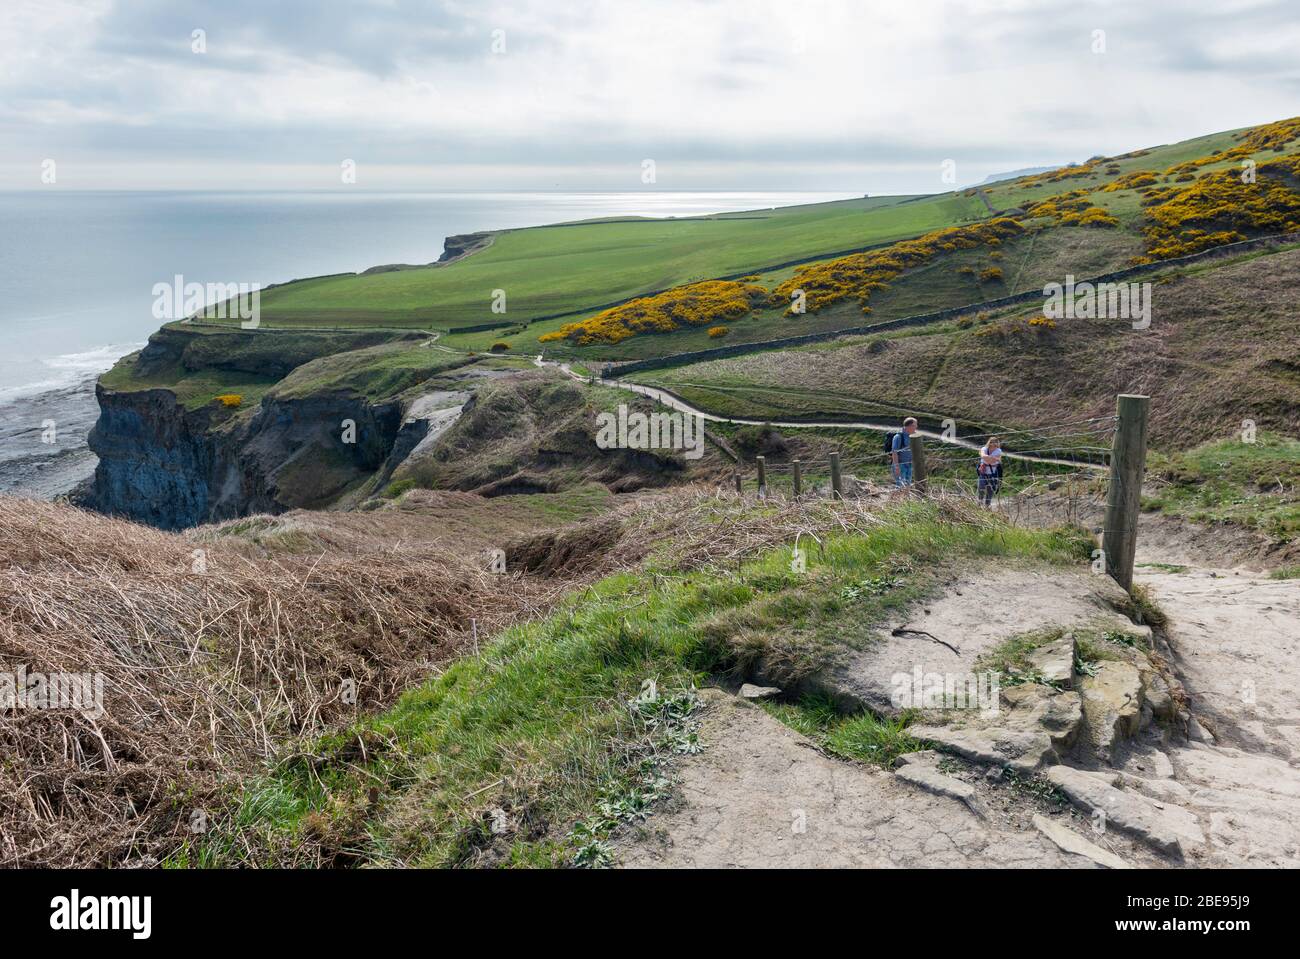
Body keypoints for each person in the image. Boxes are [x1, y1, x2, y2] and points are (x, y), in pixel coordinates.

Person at [891, 417, 919, 487]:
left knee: (907, 486)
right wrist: (897, 467)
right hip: (900, 465)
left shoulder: (913, 436)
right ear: (909, 426)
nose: (916, 427)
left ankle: (905, 498)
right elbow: (894, 453)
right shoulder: (898, 437)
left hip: (909, 465)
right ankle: (897, 498)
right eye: (915, 425)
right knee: (901, 486)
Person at [977, 435, 1004, 507]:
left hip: (993, 473)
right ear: (989, 443)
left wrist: (987, 458)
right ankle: (979, 503)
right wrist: (992, 458)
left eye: (995, 443)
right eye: (992, 442)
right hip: (983, 472)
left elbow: (988, 460)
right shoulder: (984, 448)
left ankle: (987, 506)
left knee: (990, 490)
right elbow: (984, 456)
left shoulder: (998, 450)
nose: (994, 444)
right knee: (981, 488)